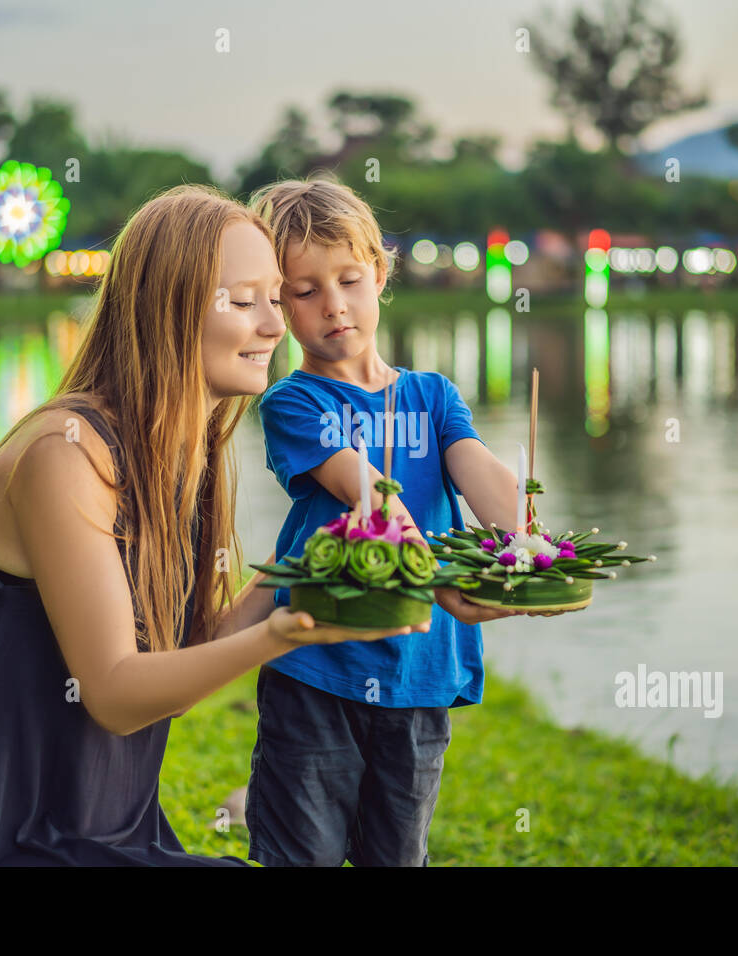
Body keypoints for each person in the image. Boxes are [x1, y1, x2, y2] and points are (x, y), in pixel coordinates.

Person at [0, 184, 428, 867]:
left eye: (275, 299)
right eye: (245, 300)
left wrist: (306, 573)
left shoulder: (174, 459)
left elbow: (177, 667)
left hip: (111, 837)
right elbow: (115, 693)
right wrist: (289, 632)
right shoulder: (65, 454)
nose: (277, 326)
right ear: (168, 307)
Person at [243, 175, 560, 868]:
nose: (334, 306)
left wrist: (527, 545)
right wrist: (435, 570)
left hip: (420, 669)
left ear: (380, 275)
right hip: (319, 665)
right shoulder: (292, 403)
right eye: (304, 291)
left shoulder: (433, 395)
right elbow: (365, 488)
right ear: (278, 301)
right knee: (304, 853)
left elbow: (480, 473)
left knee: (398, 855)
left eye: (350, 280)